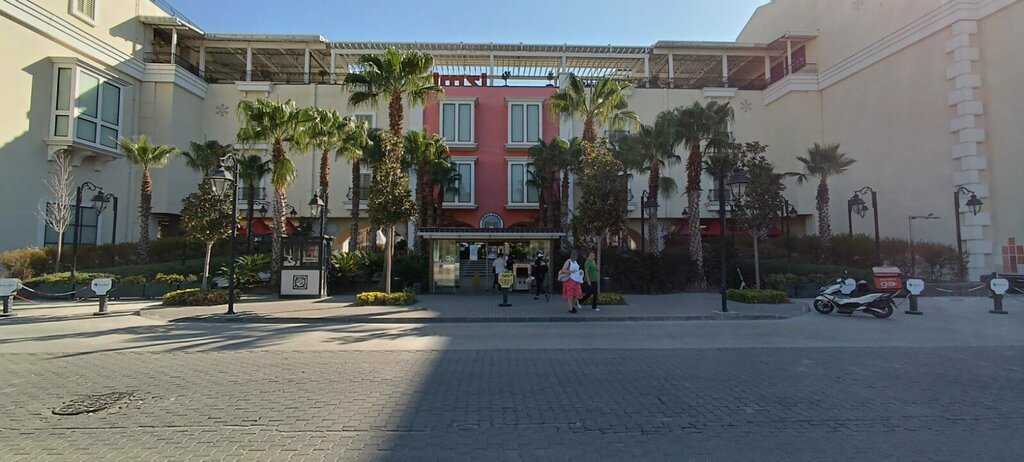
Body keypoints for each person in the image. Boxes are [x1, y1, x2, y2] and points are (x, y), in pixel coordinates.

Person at [559, 249, 584, 313]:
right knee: (570, 295)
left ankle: (572, 306)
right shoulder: (568, 262)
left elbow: (576, 269)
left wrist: (579, 272)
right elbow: (563, 270)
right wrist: (571, 271)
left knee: (577, 294)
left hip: (576, 280)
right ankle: (570, 308)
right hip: (570, 280)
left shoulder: (575, 262)